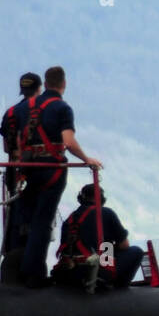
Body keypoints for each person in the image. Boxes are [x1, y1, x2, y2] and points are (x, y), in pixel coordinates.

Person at [19, 66, 101, 288]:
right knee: (43, 222)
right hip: (51, 169)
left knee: (27, 218)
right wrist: (86, 159)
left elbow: (13, 139)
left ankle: (18, 265)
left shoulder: (23, 108)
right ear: (64, 84)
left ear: (45, 84)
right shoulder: (62, 108)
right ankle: (34, 273)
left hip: (26, 169)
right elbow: (68, 141)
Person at [52, 184, 143, 288]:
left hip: (67, 271)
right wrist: (111, 247)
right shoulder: (106, 213)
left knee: (106, 247)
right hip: (94, 272)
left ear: (81, 198)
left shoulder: (69, 220)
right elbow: (124, 245)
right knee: (136, 251)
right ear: (102, 199)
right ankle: (119, 288)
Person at [0, 72, 41, 252]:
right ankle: (30, 263)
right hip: (36, 172)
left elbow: (6, 147)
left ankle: (13, 257)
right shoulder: (42, 111)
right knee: (36, 219)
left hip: (14, 172)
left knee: (16, 214)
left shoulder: (10, 113)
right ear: (39, 89)